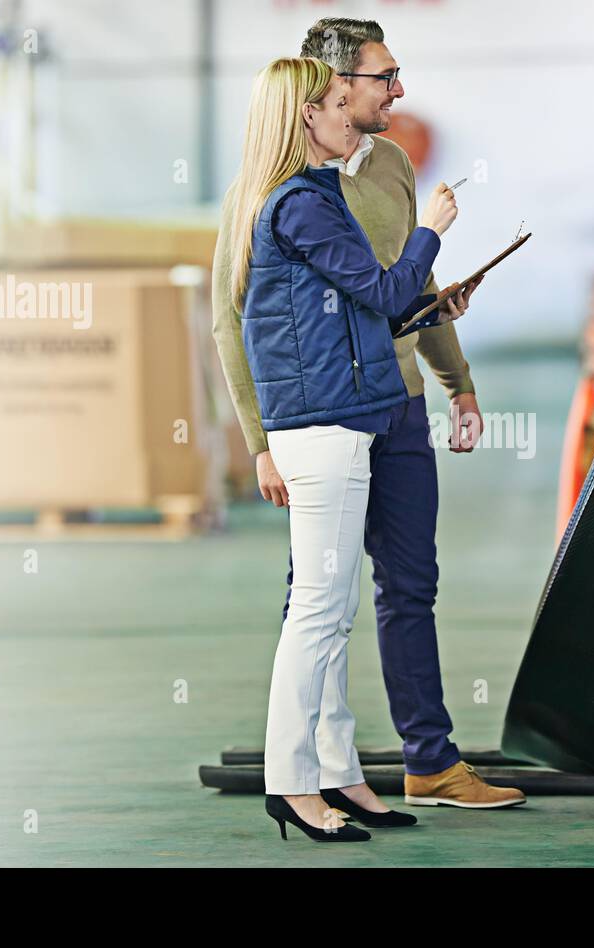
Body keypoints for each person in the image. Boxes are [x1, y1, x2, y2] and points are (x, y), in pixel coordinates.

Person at [212, 18, 526, 813]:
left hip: (395, 405)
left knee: (407, 585)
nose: (399, 89)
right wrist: (260, 442)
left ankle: (424, 761)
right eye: (385, 75)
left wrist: (457, 381)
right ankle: (304, 773)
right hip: (321, 415)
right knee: (317, 596)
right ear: (332, 90)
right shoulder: (274, 192)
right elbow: (231, 317)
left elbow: (410, 294)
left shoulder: (389, 164)